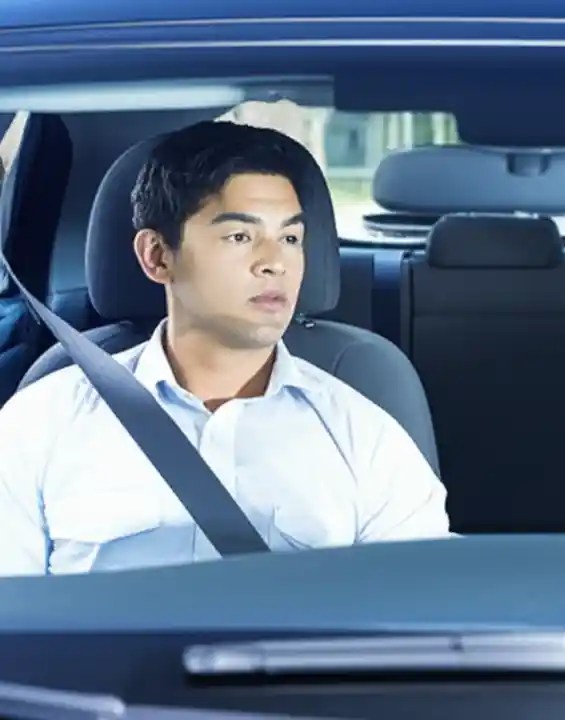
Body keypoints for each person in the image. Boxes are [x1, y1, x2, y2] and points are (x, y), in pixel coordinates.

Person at [0, 121, 451, 576]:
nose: (275, 262)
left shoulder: (368, 439)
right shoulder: (39, 424)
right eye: (241, 237)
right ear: (157, 255)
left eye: (291, 238)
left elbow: (419, 617)